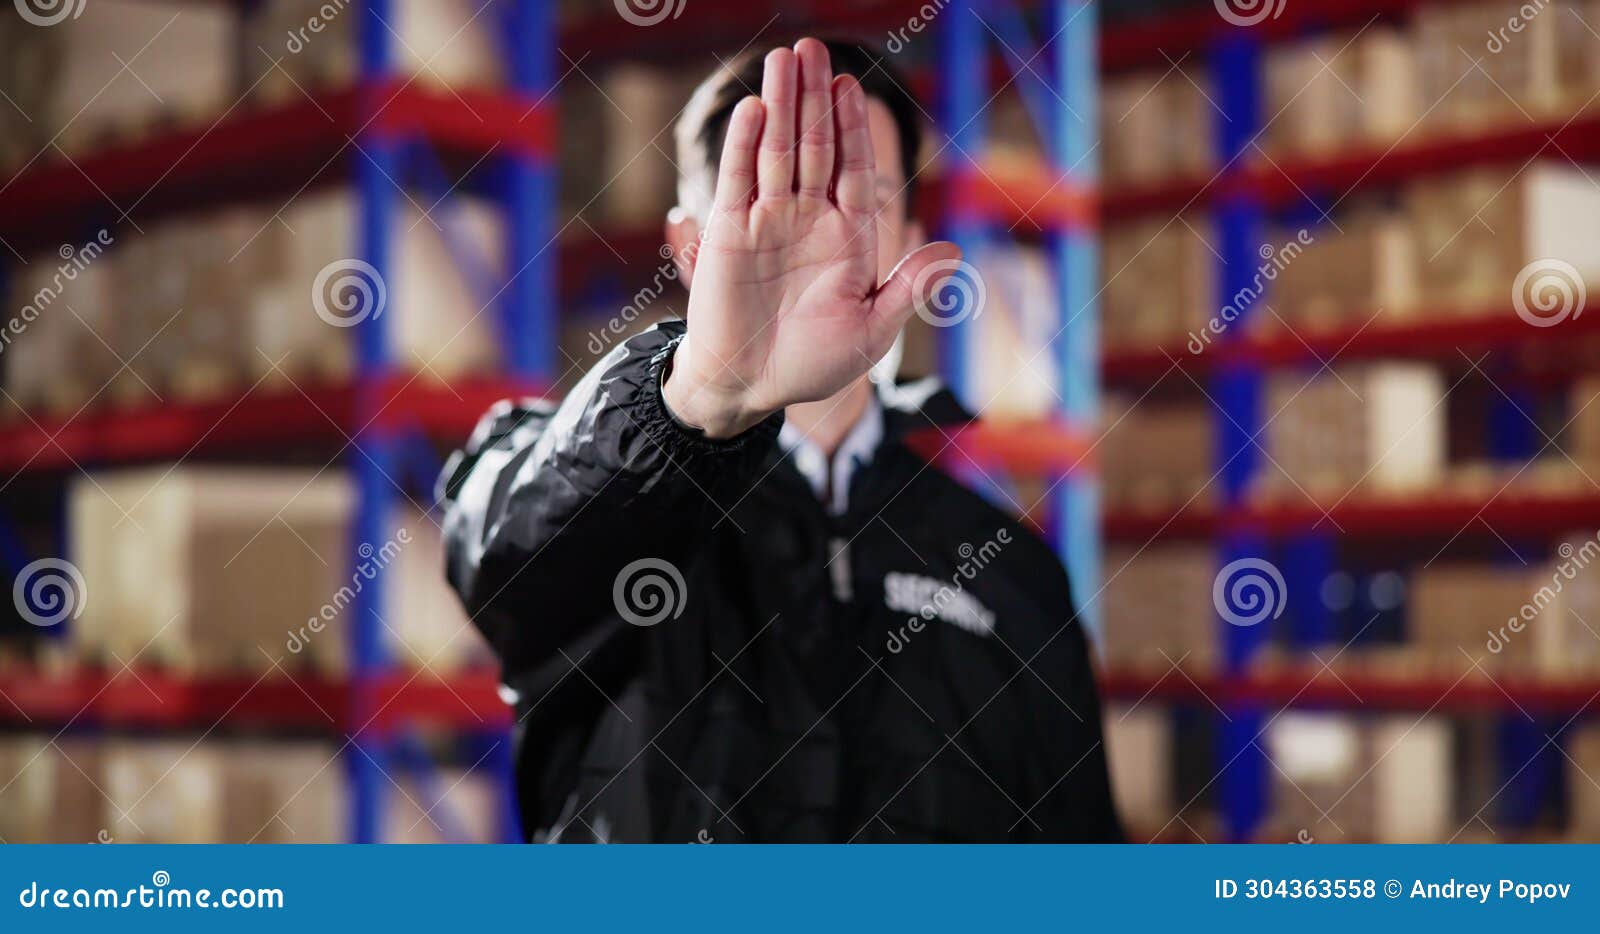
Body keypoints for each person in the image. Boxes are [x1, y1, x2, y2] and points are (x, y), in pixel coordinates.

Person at [440, 37, 1121, 842]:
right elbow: (503, 553)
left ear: (911, 236)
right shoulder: (609, 508)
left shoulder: (1010, 575)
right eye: (771, 200)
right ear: (688, 247)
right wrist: (704, 392)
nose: (817, 239)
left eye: (861, 199)